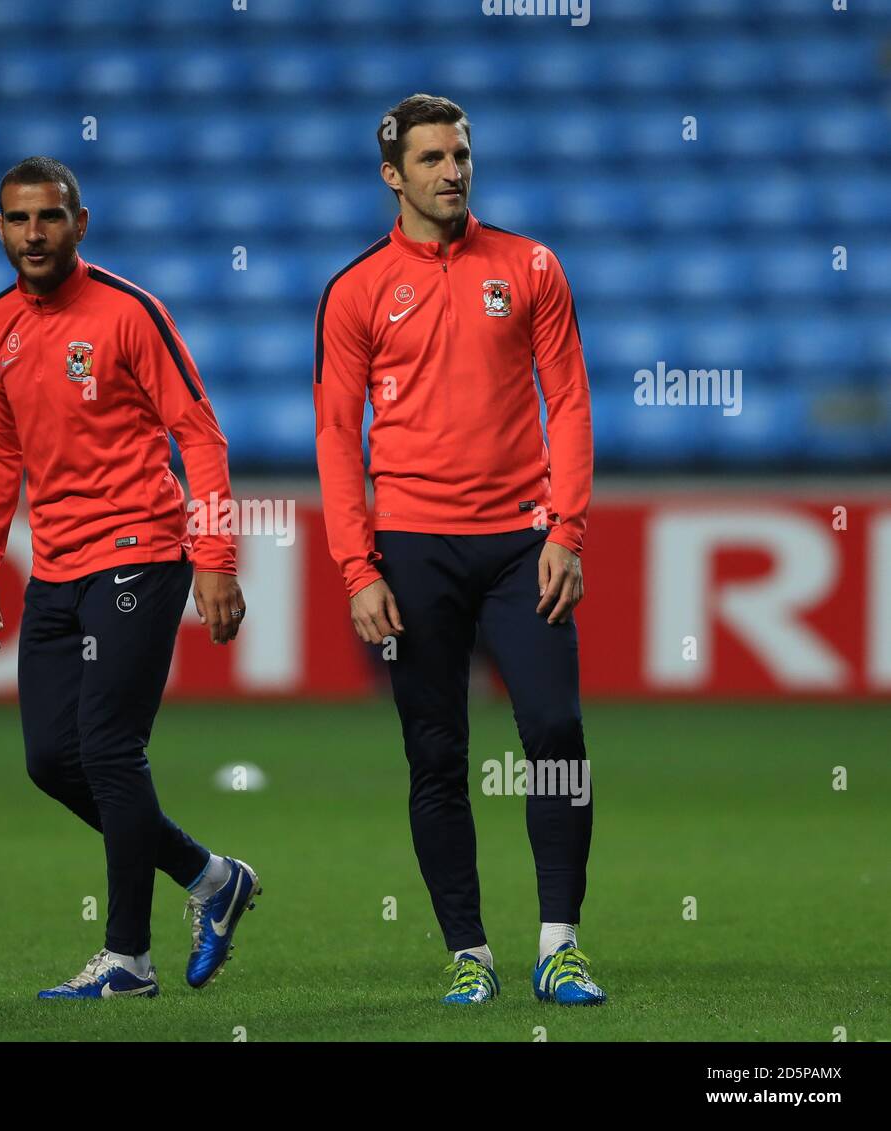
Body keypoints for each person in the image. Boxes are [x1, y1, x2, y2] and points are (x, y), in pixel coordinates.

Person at [314, 95, 604, 1005]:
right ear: (393, 175)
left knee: (554, 733)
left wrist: (567, 528)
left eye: (462, 154)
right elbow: (333, 435)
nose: (453, 171)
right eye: (433, 158)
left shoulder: (530, 265)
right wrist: (357, 567)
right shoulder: (357, 288)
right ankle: (468, 953)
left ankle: (559, 944)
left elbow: (571, 401)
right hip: (412, 549)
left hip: (524, 543)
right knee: (435, 753)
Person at [0, 156, 259, 1000]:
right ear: (0, 231)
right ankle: (210, 878)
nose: (34, 234)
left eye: (49, 217)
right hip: (54, 563)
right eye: (17, 220)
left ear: (79, 225)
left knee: (109, 750)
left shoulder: (129, 312)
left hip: (141, 547)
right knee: (52, 760)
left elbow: (200, 435)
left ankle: (128, 958)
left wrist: (216, 555)